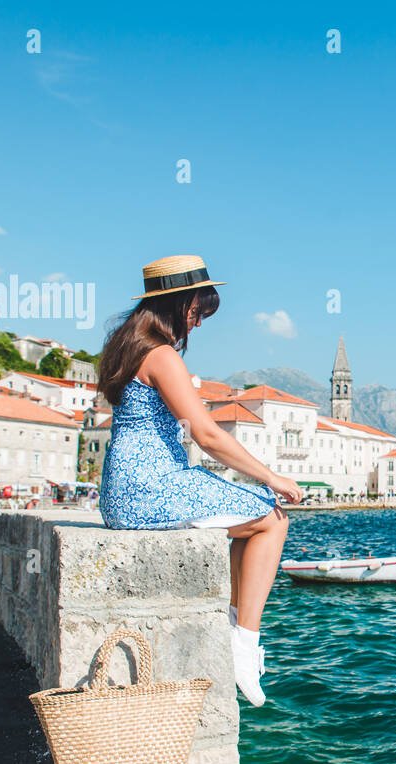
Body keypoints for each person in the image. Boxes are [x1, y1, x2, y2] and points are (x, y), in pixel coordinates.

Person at [97, 255, 302, 707]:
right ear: (176, 304)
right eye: (196, 312)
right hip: (153, 485)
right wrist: (272, 475)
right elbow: (208, 435)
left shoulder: (124, 346)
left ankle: (235, 627)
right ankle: (244, 643)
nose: (199, 324)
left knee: (248, 516)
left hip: (121, 492)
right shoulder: (161, 354)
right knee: (272, 516)